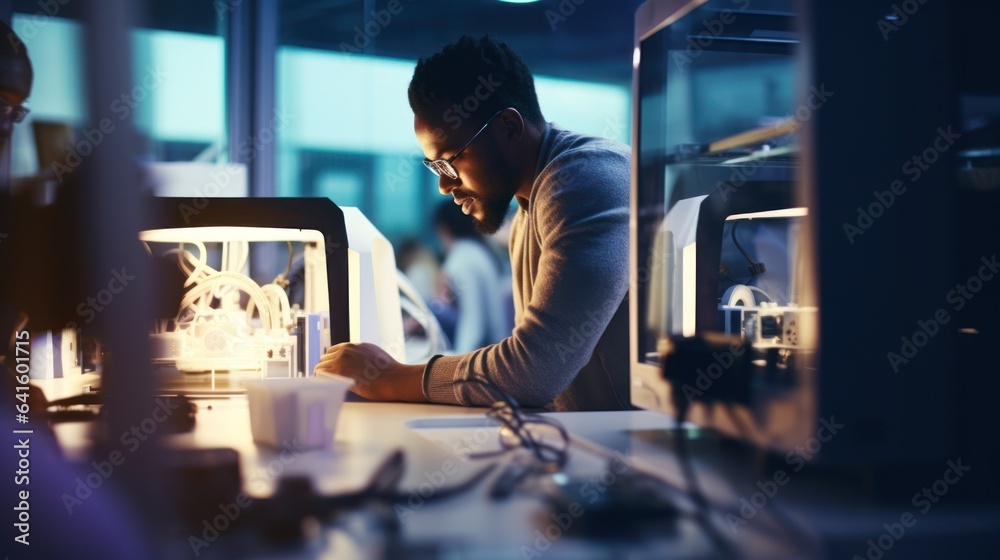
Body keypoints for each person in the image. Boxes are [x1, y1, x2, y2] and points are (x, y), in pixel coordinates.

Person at [316, 35, 631, 411]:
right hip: (592, 439)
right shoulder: (528, 209)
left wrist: (389, 377)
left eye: (450, 160)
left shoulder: (584, 180)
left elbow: (533, 372)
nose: (443, 184)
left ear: (509, 128)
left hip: (641, 443)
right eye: (434, 166)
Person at [433, 199, 511, 354]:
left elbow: (475, 322)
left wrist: (457, 362)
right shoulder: (479, 251)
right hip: (494, 347)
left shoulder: (462, 257)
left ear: (443, 230)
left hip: (485, 352)